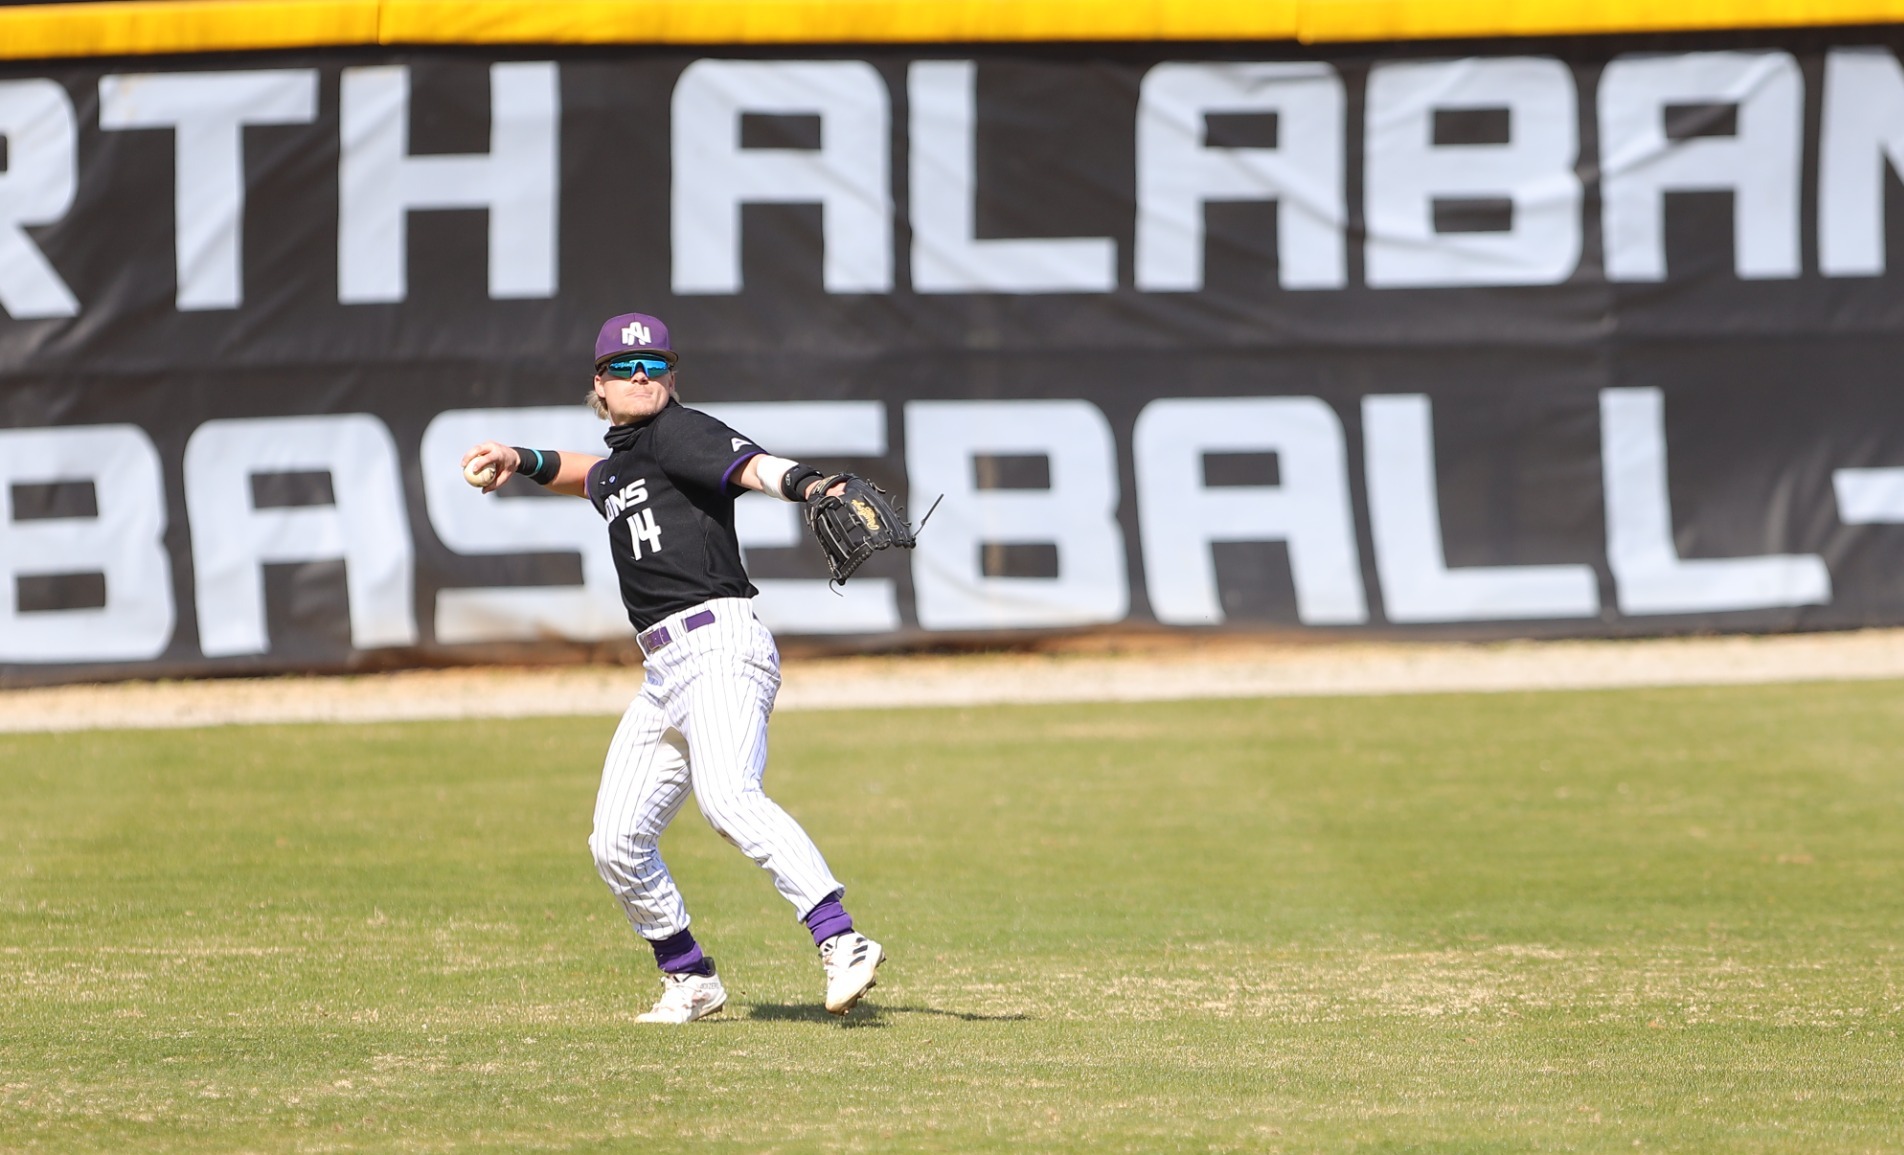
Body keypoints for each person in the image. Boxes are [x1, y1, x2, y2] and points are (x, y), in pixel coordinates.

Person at [461, 312, 884, 1023]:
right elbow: (591, 474)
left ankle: (842, 939)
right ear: (599, 385)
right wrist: (520, 458)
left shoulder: (678, 431)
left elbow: (752, 465)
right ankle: (690, 977)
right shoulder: (629, 458)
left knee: (728, 796)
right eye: (625, 368)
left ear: (671, 377)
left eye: (654, 365)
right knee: (616, 839)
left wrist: (809, 484)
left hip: (718, 643)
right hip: (664, 669)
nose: (640, 376)